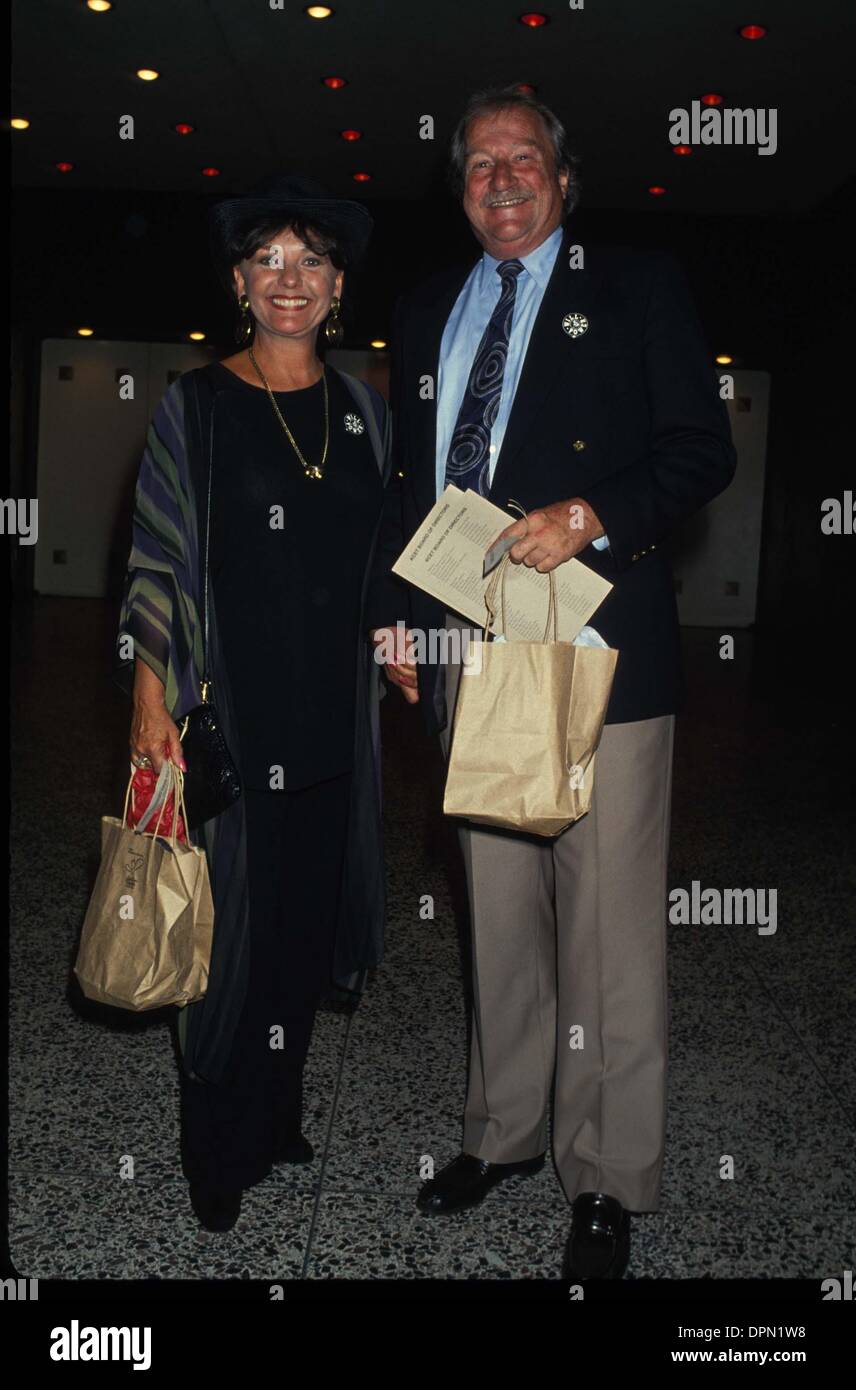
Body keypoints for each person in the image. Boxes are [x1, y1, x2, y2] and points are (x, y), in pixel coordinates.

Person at [368, 87, 737, 1278]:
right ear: (459, 186)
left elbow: (701, 448)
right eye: (479, 166)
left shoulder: (635, 287)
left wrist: (590, 515)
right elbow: (412, 486)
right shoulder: (425, 313)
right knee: (499, 907)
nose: (503, 182)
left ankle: (609, 1172)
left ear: (564, 180)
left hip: (595, 651)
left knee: (609, 929)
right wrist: (396, 615)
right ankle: (505, 1132)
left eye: (524, 161)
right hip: (471, 648)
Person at [116, 175, 390, 1233]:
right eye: (269, 260)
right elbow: (157, 562)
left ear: (337, 289)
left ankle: (277, 1109)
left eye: (311, 262)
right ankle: (215, 1142)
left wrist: (406, 640)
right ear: (239, 281)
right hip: (232, 720)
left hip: (336, 725)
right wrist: (151, 703)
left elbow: (384, 561)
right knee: (227, 942)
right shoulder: (199, 404)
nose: (291, 279)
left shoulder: (363, 408)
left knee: (300, 932)